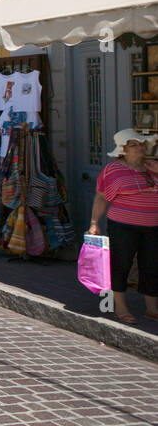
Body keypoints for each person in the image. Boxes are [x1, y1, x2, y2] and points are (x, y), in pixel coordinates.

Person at [88, 130, 158, 324]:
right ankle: (120, 307)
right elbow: (102, 197)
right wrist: (94, 223)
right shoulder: (114, 170)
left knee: (152, 266)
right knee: (121, 264)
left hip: (153, 227)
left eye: (141, 144)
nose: (140, 148)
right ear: (123, 150)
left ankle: (152, 308)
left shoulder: (152, 168)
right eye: (134, 144)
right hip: (123, 226)